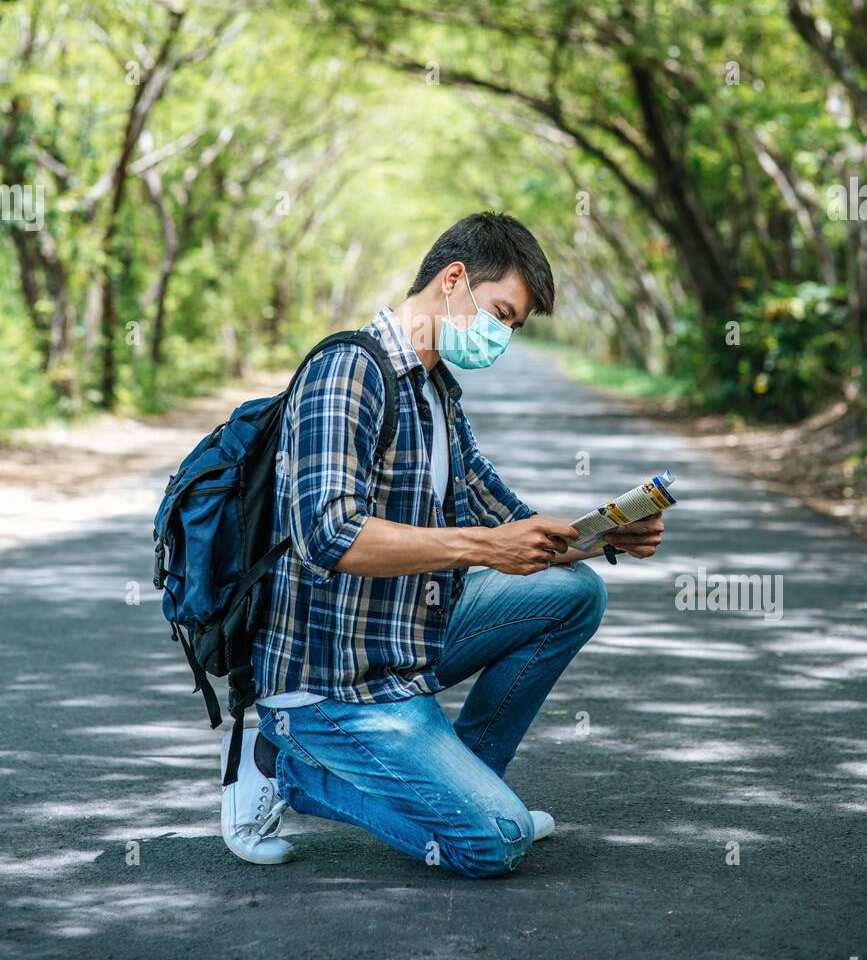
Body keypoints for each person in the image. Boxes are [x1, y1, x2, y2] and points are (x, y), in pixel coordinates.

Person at [220, 211, 664, 877]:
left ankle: (467, 788)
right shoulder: (347, 370)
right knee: (493, 844)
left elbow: (508, 519)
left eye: (513, 328)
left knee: (572, 592)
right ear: (452, 279)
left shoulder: (436, 392)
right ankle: (285, 769)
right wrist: (482, 548)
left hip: (397, 646)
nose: (502, 339)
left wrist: (606, 537)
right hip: (330, 681)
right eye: (501, 314)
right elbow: (327, 533)